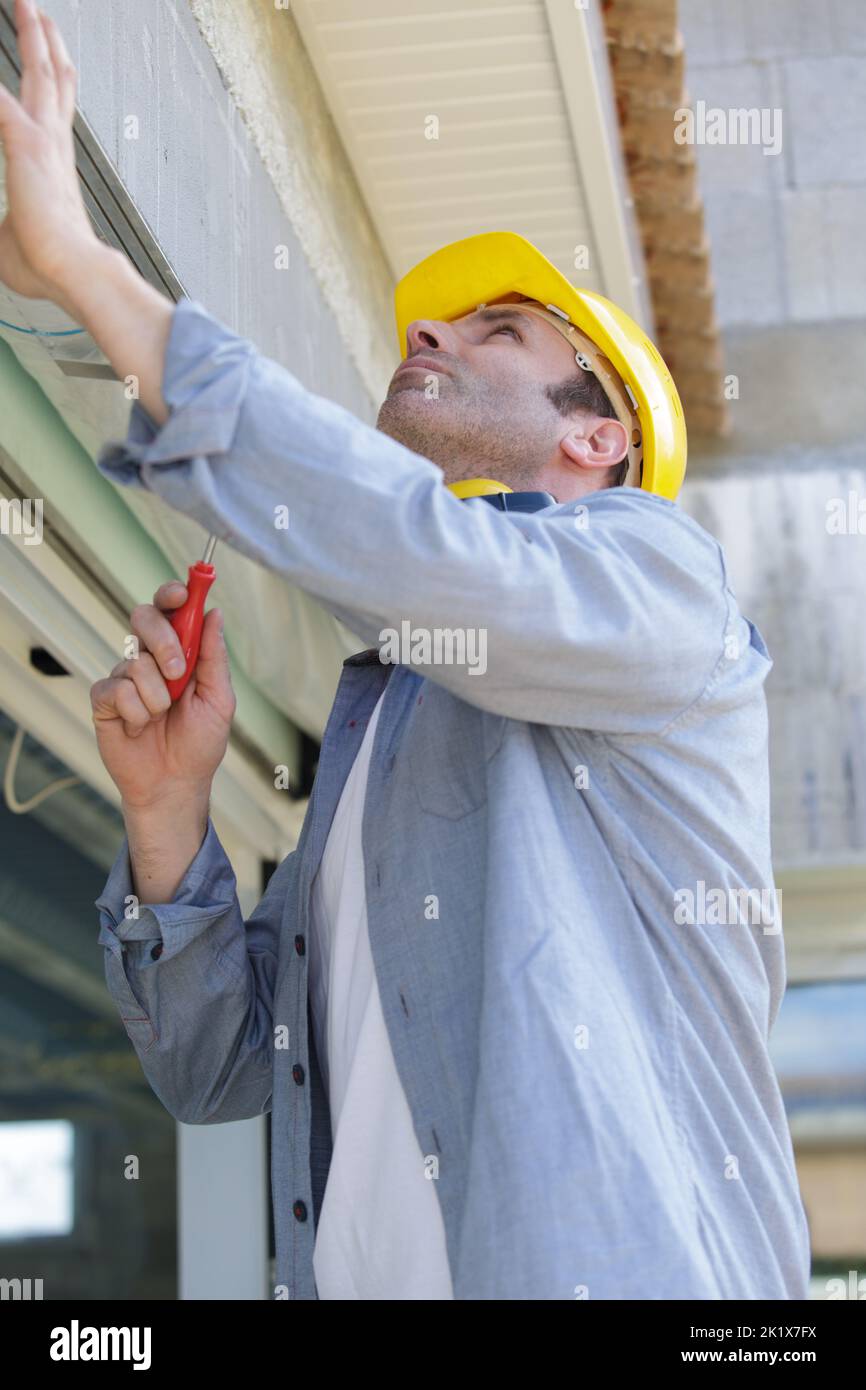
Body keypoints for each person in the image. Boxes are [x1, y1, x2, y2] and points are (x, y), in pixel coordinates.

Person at [0, 0, 811, 1300]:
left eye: (494, 331)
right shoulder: (394, 712)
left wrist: (92, 273)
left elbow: (433, 559)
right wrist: (168, 818)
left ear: (595, 440)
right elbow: (224, 1068)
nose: (423, 334)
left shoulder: (667, 588)